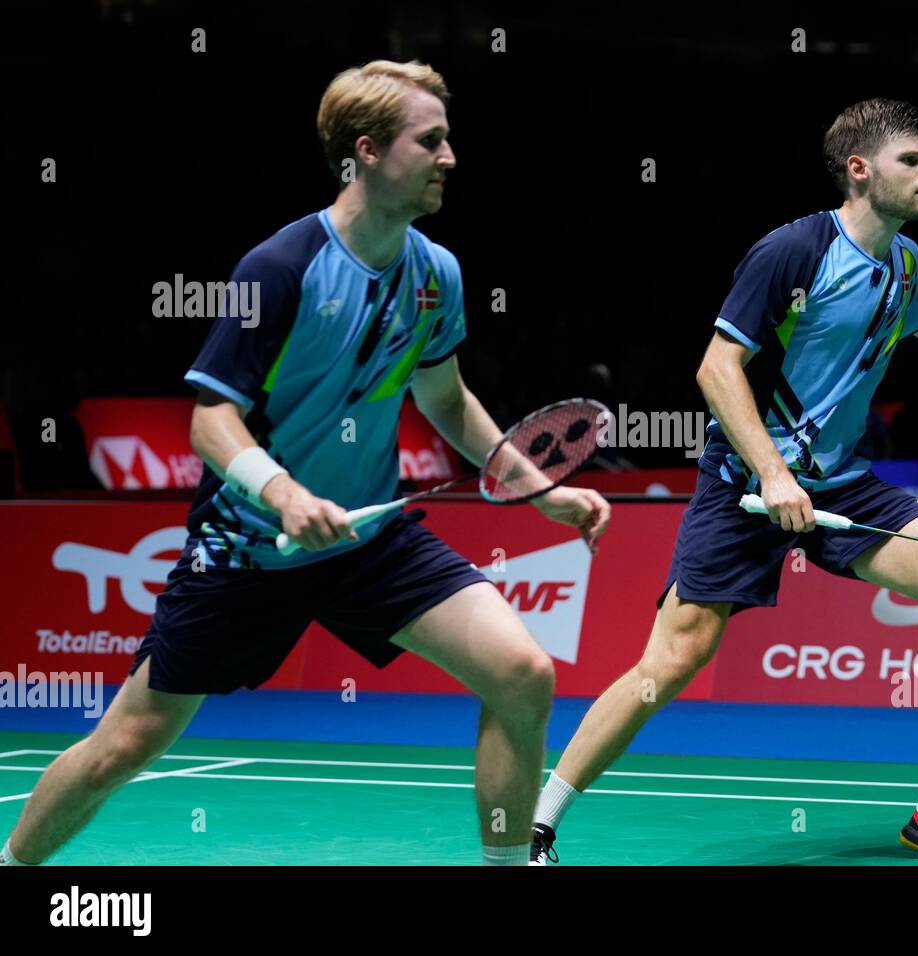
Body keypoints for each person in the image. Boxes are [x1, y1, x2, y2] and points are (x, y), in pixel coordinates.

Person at [1, 59, 610, 868]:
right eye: (430, 141)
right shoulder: (281, 268)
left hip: (368, 539)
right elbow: (211, 421)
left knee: (522, 670)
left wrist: (537, 492)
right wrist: (284, 496)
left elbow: (446, 399)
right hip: (252, 547)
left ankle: (508, 864)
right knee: (124, 747)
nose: (449, 157)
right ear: (367, 150)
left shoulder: (436, 273)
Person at [530, 98, 918, 866]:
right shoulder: (793, 252)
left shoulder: (903, 264)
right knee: (671, 662)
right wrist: (773, 474)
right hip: (744, 482)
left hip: (842, 483)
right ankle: (539, 823)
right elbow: (717, 368)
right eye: (911, 159)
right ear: (860, 169)